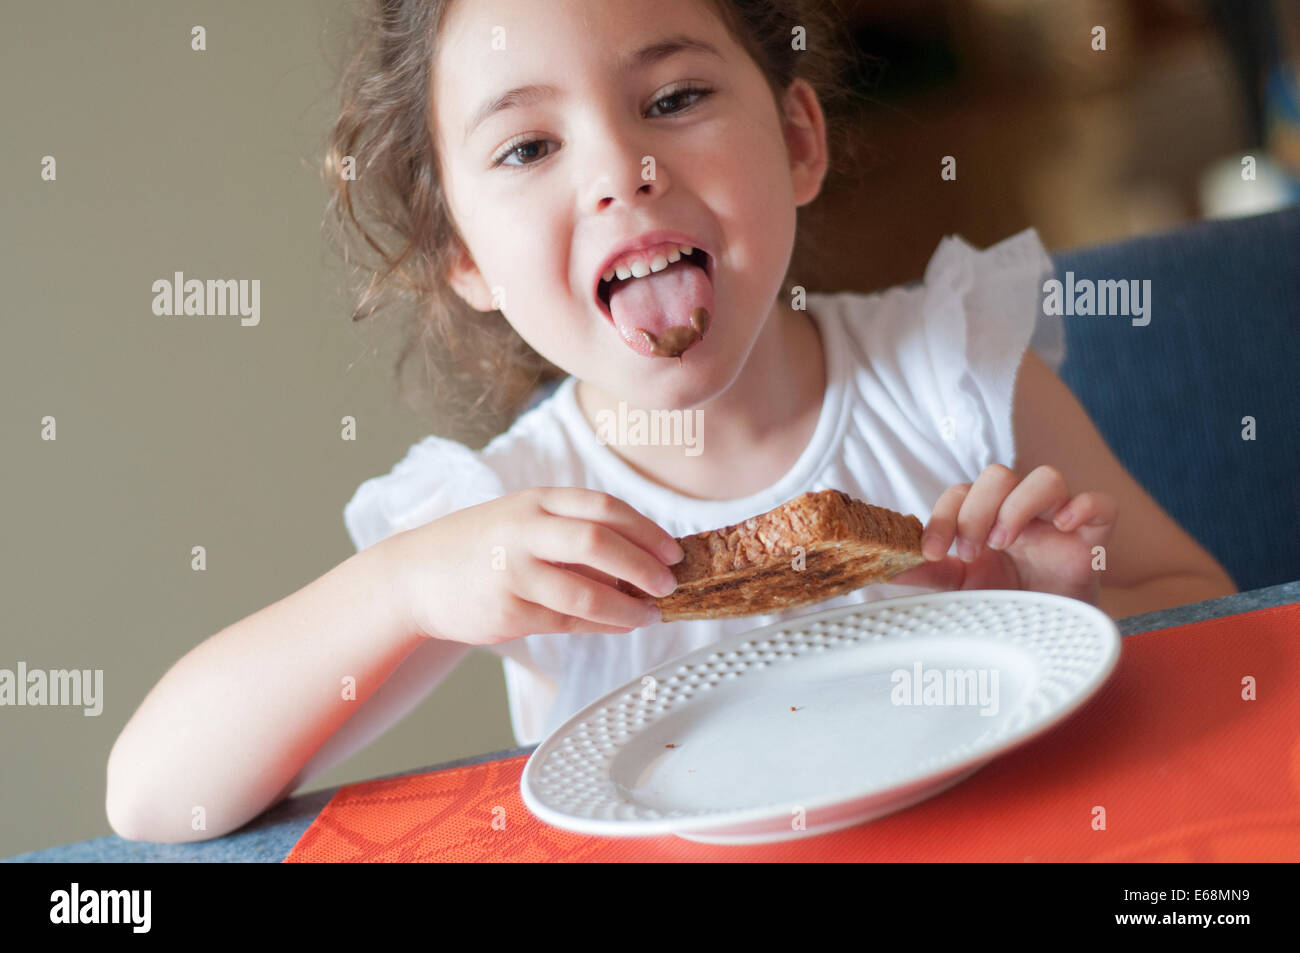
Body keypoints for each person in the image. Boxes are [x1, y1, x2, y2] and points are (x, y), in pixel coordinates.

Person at [105, 0, 1236, 843]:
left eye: (673, 99)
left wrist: (1064, 611)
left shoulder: (952, 374)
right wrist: (402, 586)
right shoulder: (504, 526)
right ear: (461, 252)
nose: (620, 170)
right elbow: (158, 793)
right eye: (527, 147)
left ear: (797, 139)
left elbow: (1219, 623)